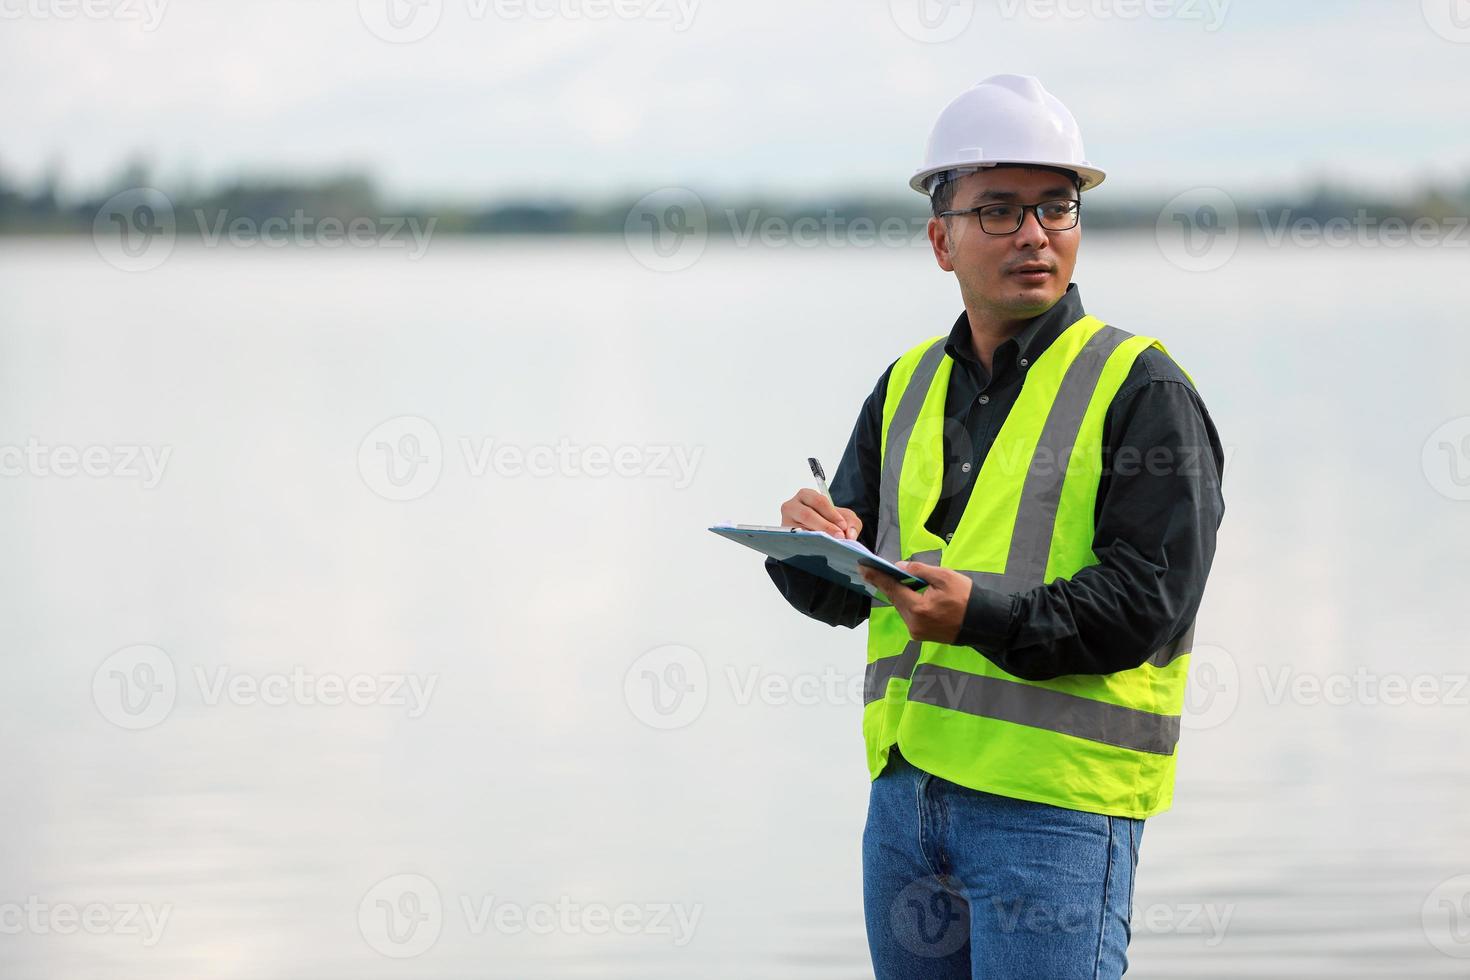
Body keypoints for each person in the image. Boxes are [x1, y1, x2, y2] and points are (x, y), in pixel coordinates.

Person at [765, 74, 1226, 979]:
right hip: (904, 802)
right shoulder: (903, 386)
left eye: (1056, 207)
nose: (1034, 233)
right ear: (941, 239)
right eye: (1000, 211)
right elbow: (851, 592)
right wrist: (804, 545)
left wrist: (979, 617)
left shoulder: (1143, 387)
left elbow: (1151, 604)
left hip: (1053, 810)